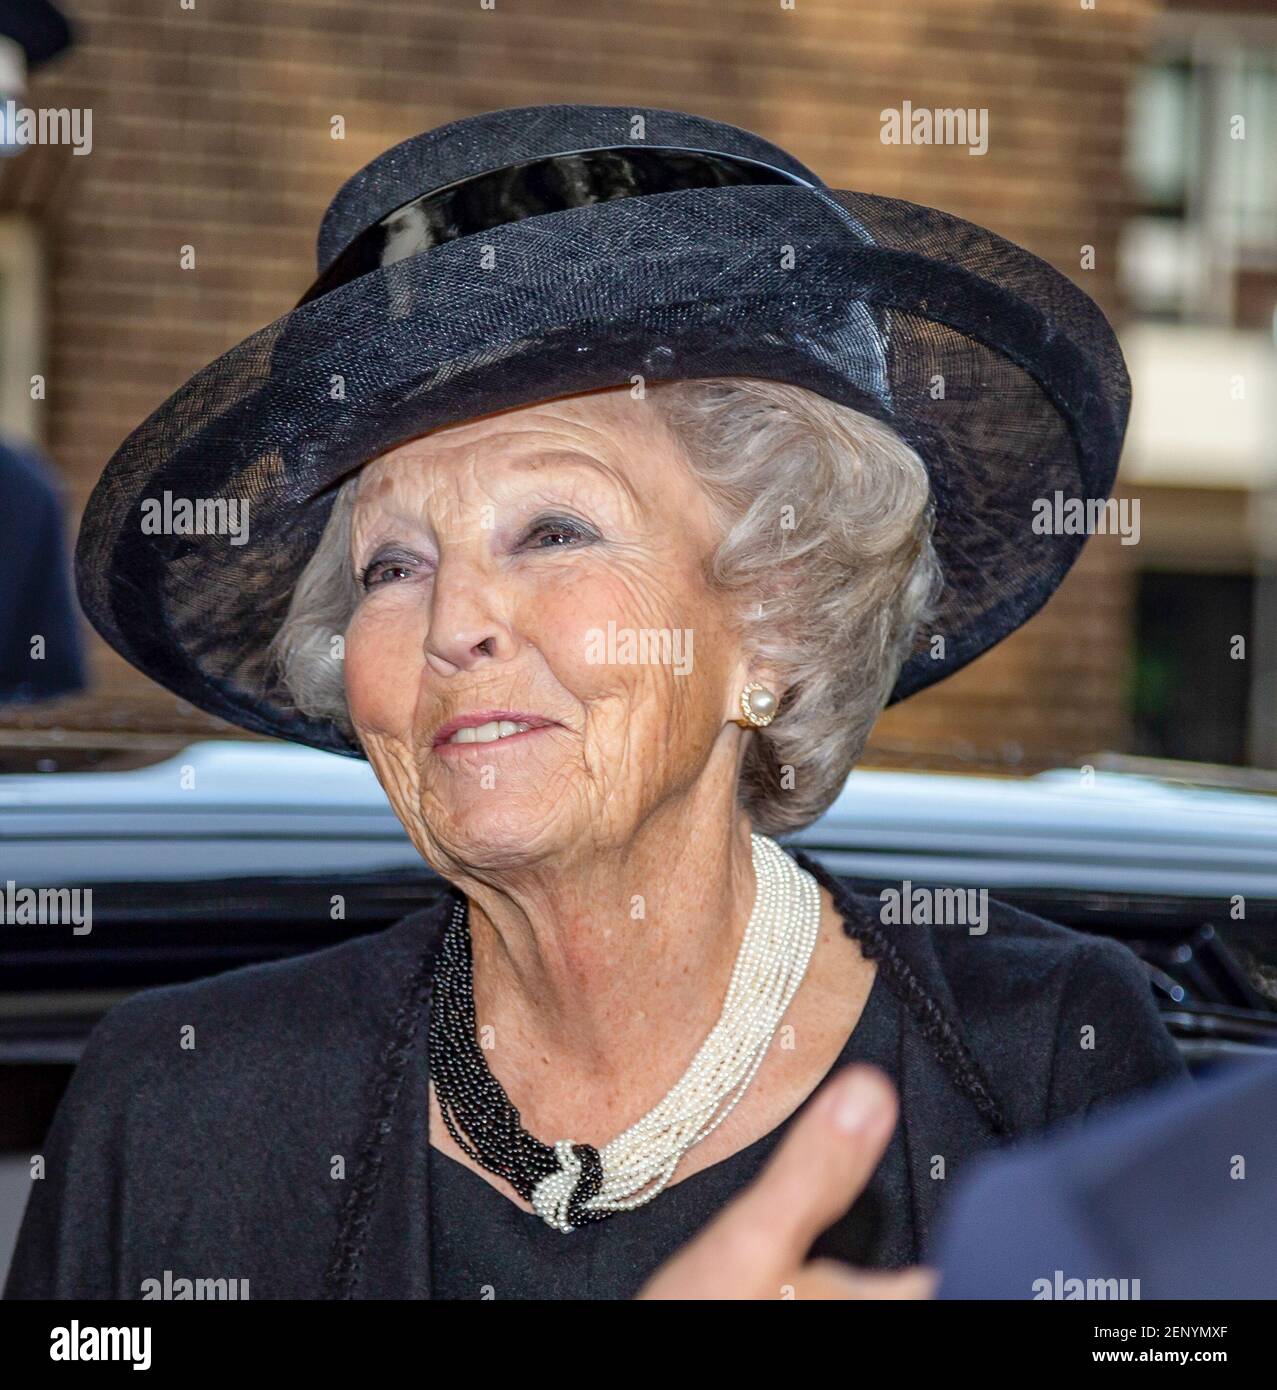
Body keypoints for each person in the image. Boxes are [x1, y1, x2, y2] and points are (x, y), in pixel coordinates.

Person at [5, 103, 1184, 1301]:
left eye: (552, 529)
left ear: (771, 617)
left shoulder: (1042, 1061)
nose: (455, 619)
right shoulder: (172, 1110)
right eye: (392, 565)